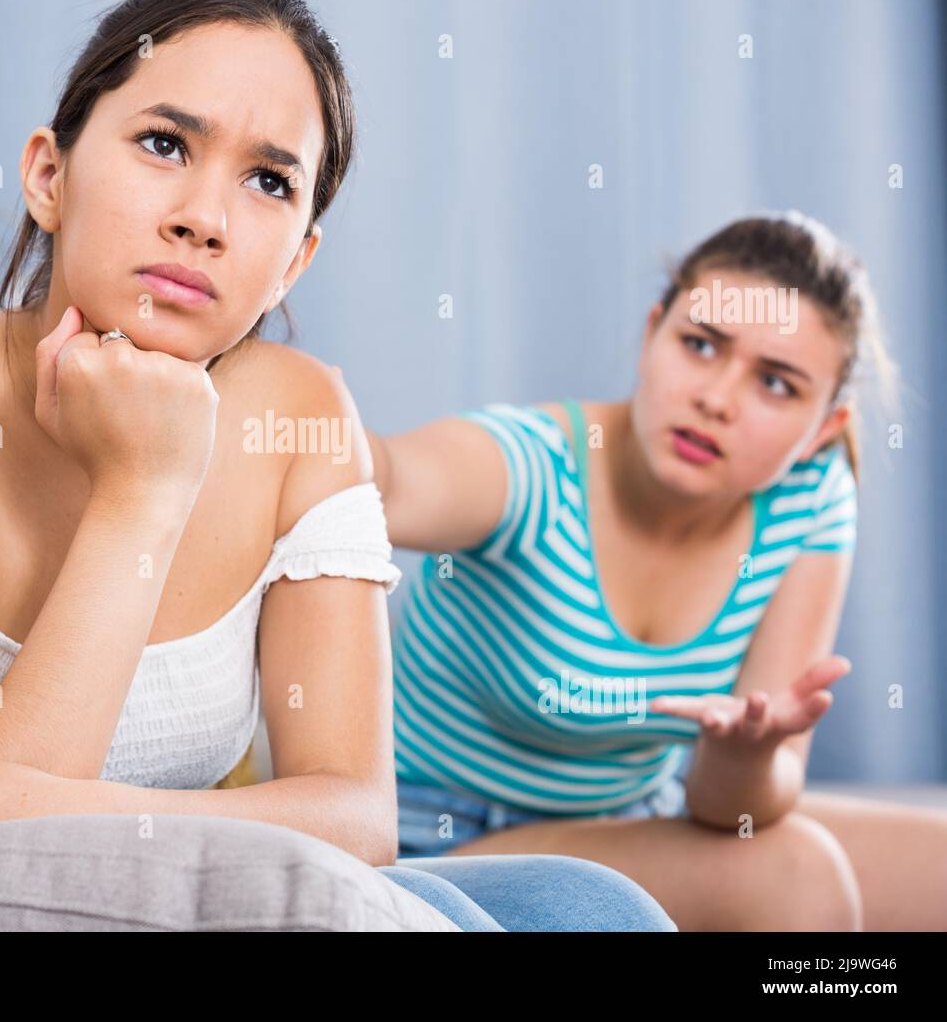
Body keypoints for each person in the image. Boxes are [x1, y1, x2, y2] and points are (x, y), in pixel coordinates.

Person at [0, 0, 673, 933]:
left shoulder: (304, 419)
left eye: (269, 182)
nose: (205, 218)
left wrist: (73, 810)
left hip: (161, 891)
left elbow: (357, 814)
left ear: (297, 260)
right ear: (48, 177)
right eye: (163, 143)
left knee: (594, 907)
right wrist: (142, 490)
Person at [369, 212, 947, 930]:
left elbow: (731, 812)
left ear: (823, 428)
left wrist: (743, 758)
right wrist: (297, 421)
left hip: (631, 823)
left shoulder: (812, 496)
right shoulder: (530, 467)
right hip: (435, 841)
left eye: (775, 383)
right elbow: (384, 481)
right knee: (799, 879)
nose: (717, 398)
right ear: (652, 335)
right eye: (701, 345)